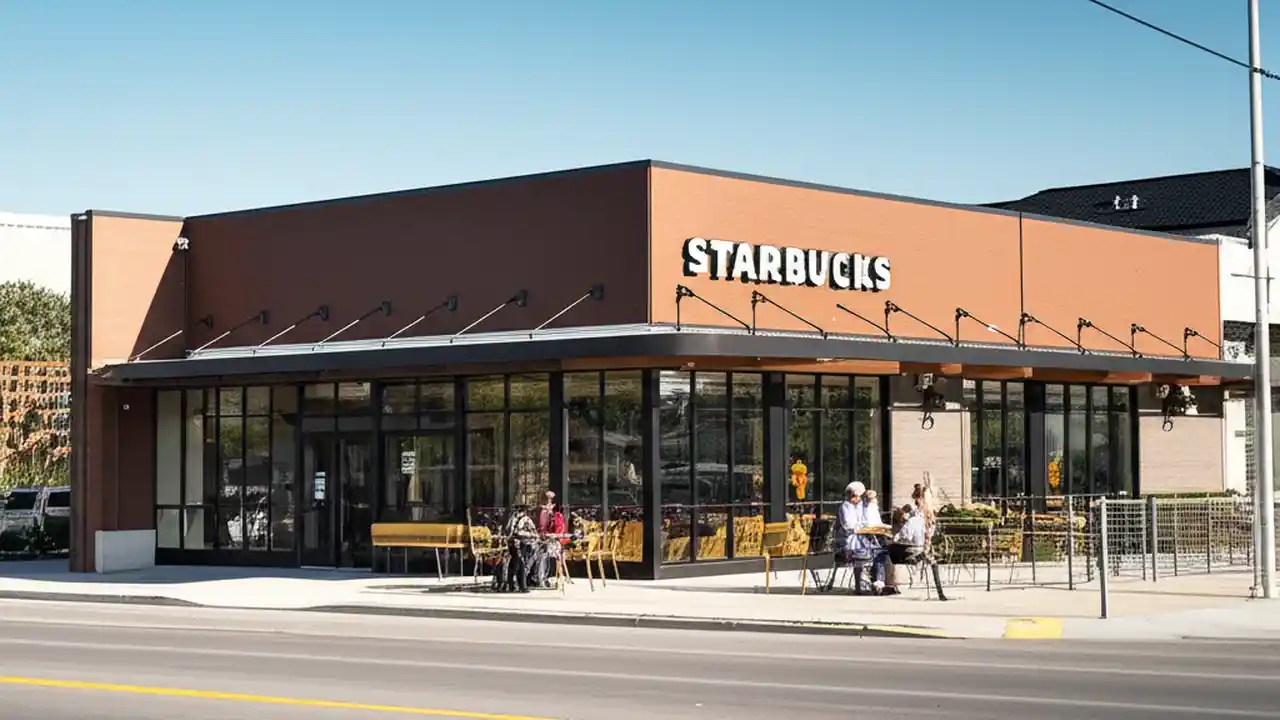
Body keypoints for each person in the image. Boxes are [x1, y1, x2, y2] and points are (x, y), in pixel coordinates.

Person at [832, 481, 888, 594]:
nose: (857, 499)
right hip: (848, 540)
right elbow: (848, 525)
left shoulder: (860, 506)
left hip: (860, 537)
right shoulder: (845, 507)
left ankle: (877, 581)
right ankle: (863, 584)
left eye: (858, 497)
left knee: (880, 550)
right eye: (854, 496)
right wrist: (861, 527)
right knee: (867, 551)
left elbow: (865, 520)